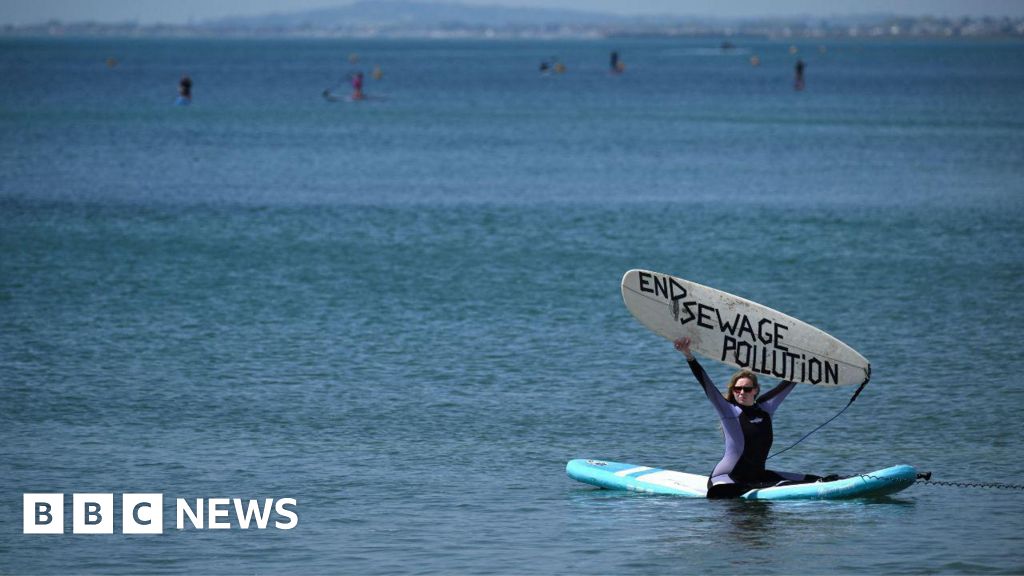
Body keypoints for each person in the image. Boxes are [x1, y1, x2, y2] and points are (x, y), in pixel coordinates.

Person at [674, 336, 824, 498]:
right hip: (726, 478)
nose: (741, 392)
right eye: (737, 389)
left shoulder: (765, 408)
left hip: (757, 476)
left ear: (755, 390)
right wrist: (688, 355)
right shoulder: (728, 410)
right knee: (725, 492)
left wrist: (808, 359)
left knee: (819, 480)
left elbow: (790, 382)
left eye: (747, 389)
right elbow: (706, 384)